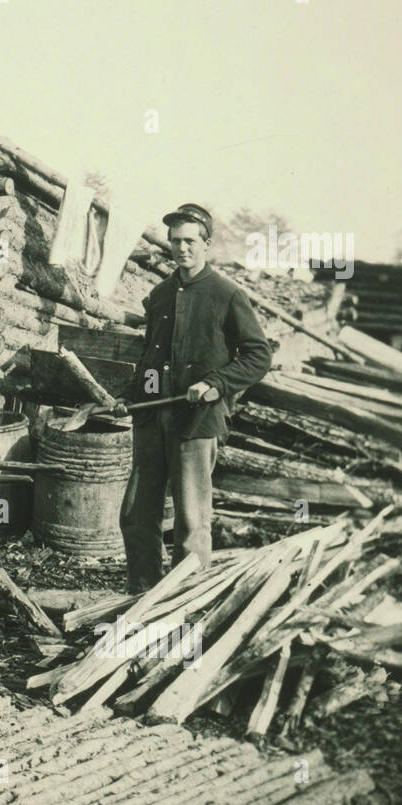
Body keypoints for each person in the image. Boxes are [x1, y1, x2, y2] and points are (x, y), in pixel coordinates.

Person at [115, 203, 272, 592]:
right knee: (136, 514)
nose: (181, 248)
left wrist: (216, 383)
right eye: (175, 241)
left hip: (195, 423)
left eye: (189, 241)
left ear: (207, 244)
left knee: (191, 522)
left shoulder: (227, 294)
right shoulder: (161, 295)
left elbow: (258, 355)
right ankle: (141, 595)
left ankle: (187, 602)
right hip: (151, 420)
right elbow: (151, 357)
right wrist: (130, 397)